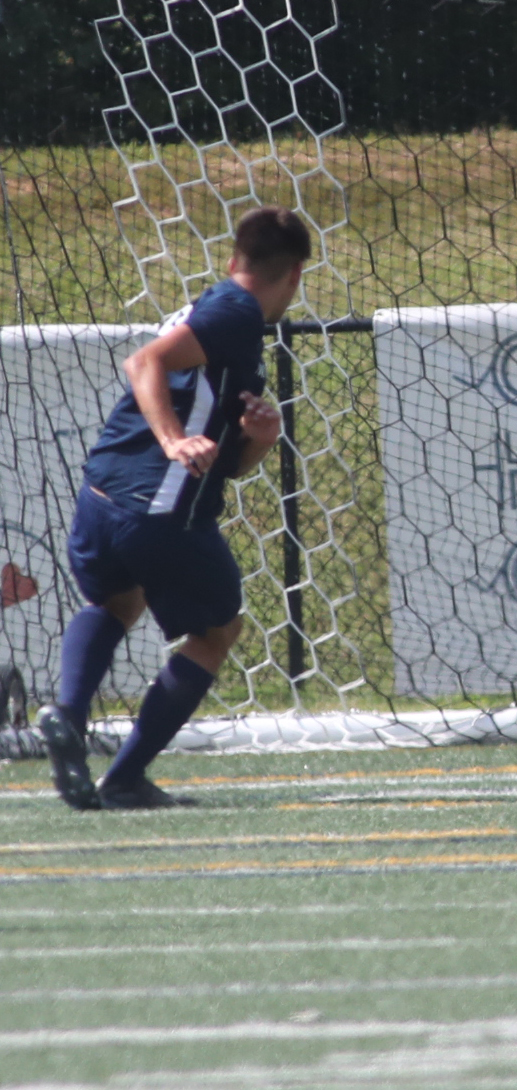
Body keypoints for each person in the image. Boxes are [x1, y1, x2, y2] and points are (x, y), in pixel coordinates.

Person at [36, 206, 310, 810]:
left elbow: (225, 463)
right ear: (294, 274)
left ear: (234, 258)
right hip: (155, 505)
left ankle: (67, 716)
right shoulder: (238, 311)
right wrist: (172, 441)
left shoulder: (214, 309)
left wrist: (259, 440)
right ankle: (125, 778)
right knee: (217, 632)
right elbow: (144, 362)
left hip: (103, 493)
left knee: (116, 602)